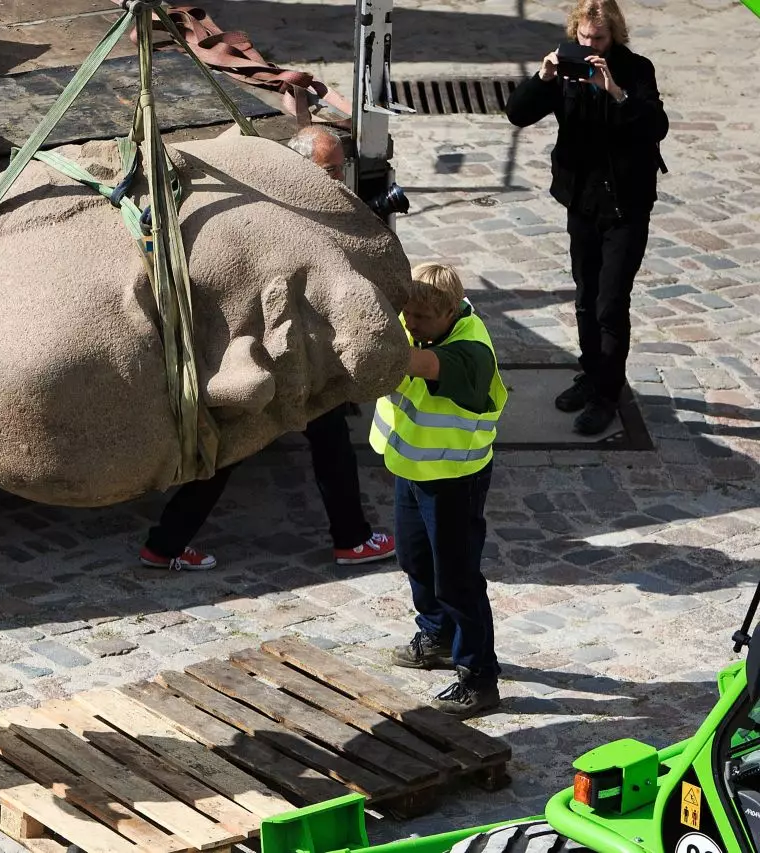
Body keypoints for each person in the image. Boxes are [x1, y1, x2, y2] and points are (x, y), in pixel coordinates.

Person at [138, 123, 395, 572]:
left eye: (339, 169)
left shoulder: (292, 200)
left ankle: (166, 543)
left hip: (279, 351)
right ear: (300, 168)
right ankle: (351, 538)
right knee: (274, 445)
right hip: (282, 353)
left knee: (252, 446)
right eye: (329, 171)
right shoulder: (290, 215)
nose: (338, 180)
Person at [505, 0, 667, 435]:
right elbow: (517, 113)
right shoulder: (566, 69)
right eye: (584, 38)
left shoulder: (635, 69)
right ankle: (592, 373)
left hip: (627, 204)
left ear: (614, 34)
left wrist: (614, 90)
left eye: (599, 38)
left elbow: (656, 126)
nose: (591, 45)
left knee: (611, 303)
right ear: (575, 32)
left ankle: (607, 395)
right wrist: (543, 79)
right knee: (586, 295)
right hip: (583, 200)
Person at [371, 263, 506, 718]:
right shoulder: (417, 325)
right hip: (414, 471)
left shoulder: (470, 350)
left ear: (450, 311)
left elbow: (422, 365)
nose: (410, 324)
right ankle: (438, 637)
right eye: (406, 314)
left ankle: (478, 679)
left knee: (458, 580)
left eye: (421, 319)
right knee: (414, 559)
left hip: (454, 481)